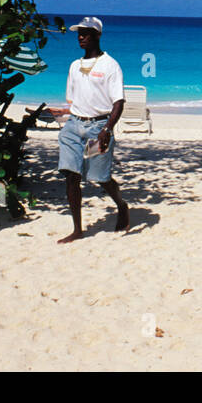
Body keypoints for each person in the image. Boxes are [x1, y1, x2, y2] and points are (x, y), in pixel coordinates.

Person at [57, 16, 129, 241]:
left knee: (100, 177)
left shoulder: (110, 65)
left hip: (98, 127)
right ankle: (77, 229)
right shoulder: (73, 66)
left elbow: (118, 102)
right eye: (79, 32)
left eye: (86, 33)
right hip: (73, 126)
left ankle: (121, 205)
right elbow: (73, 99)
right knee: (71, 175)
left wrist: (106, 130)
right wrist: (64, 116)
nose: (81, 36)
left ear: (98, 35)